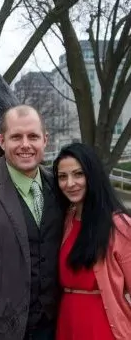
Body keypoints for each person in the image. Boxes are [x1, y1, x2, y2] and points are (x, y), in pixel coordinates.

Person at [0, 105, 65, 340]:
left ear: (45, 140)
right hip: (5, 332)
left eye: (33, 136)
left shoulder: (60, 188)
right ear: (1, 141)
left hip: (57, 327)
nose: (25, 144)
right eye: (16, 136)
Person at [53, 142, 131, 340]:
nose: (70, 183)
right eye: (63, 176)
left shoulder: (119, 226)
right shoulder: (66, 221)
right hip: (66, 322)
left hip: (102, 326)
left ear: (92, 175)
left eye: (78, 174)